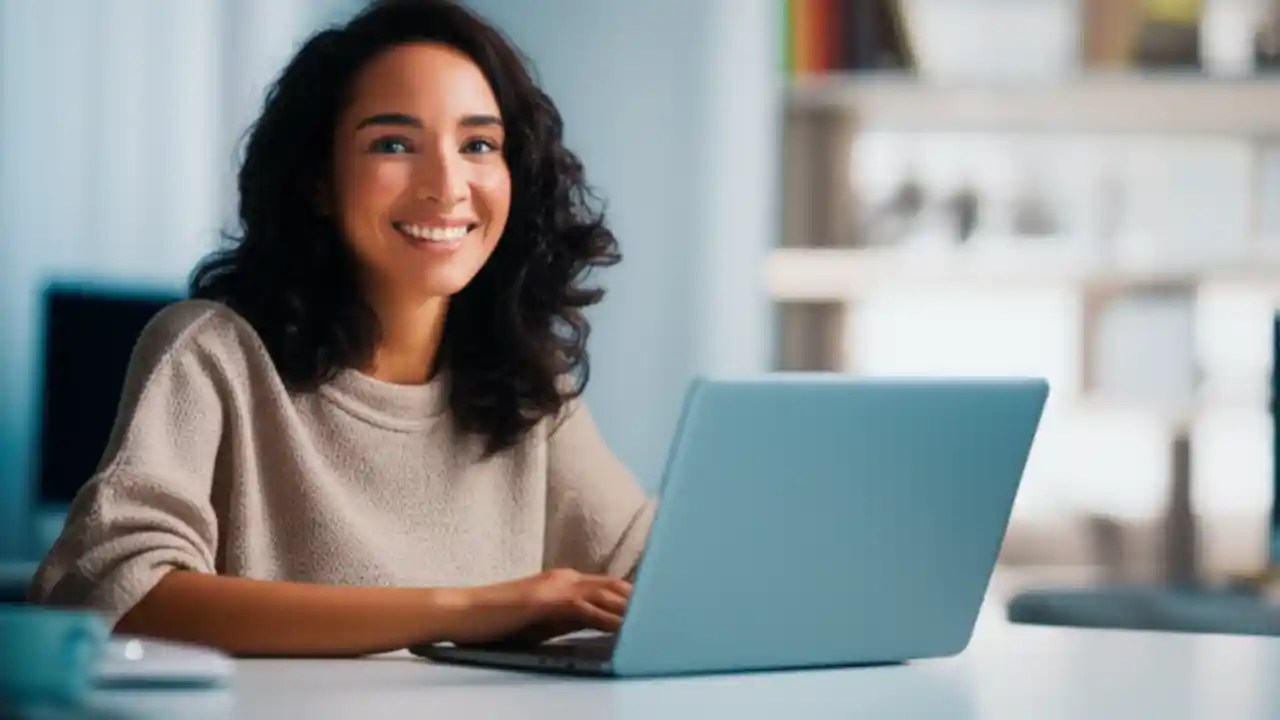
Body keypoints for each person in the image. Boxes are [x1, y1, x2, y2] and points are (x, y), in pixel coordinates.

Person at [28, 0, 654, 657]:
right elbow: (114, 594)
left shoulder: (528, 390)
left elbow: (655, 578)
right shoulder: (212, 353)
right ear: (317, 182)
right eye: (393, 144)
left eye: (478, 145)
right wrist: (467, 610)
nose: (447, 185)